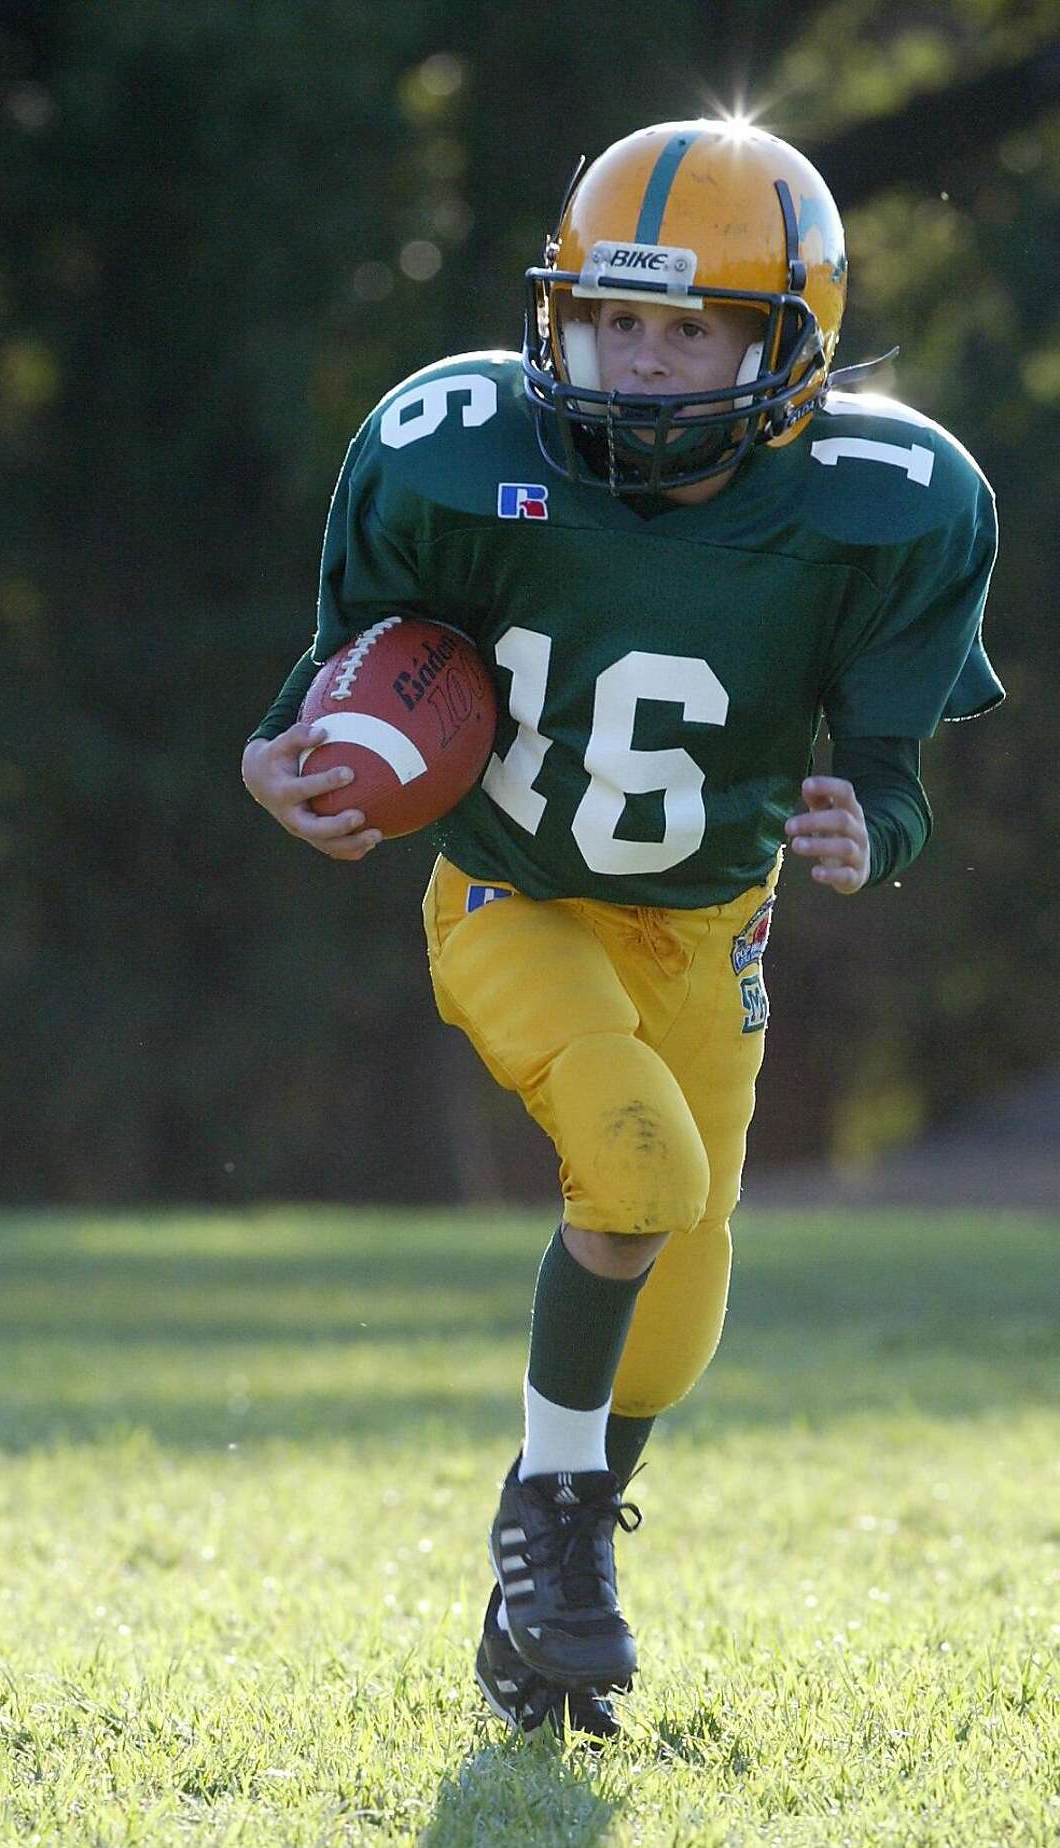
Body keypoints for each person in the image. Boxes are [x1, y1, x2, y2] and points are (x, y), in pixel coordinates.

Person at [242, 120, 1003, 1740]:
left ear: (785, 346)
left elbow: (887, 767)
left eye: (690, 328)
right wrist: (279, 758)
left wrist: (876, 828)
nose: (643, 362)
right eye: (615, 319)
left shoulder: (887, 503)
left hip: (709, 922)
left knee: (675, 1315)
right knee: (639, 1170)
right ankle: (565, 1542)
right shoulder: (459, 453)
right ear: (558, 315)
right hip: (511, 890)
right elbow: (346, 669)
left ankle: (543, 1571)